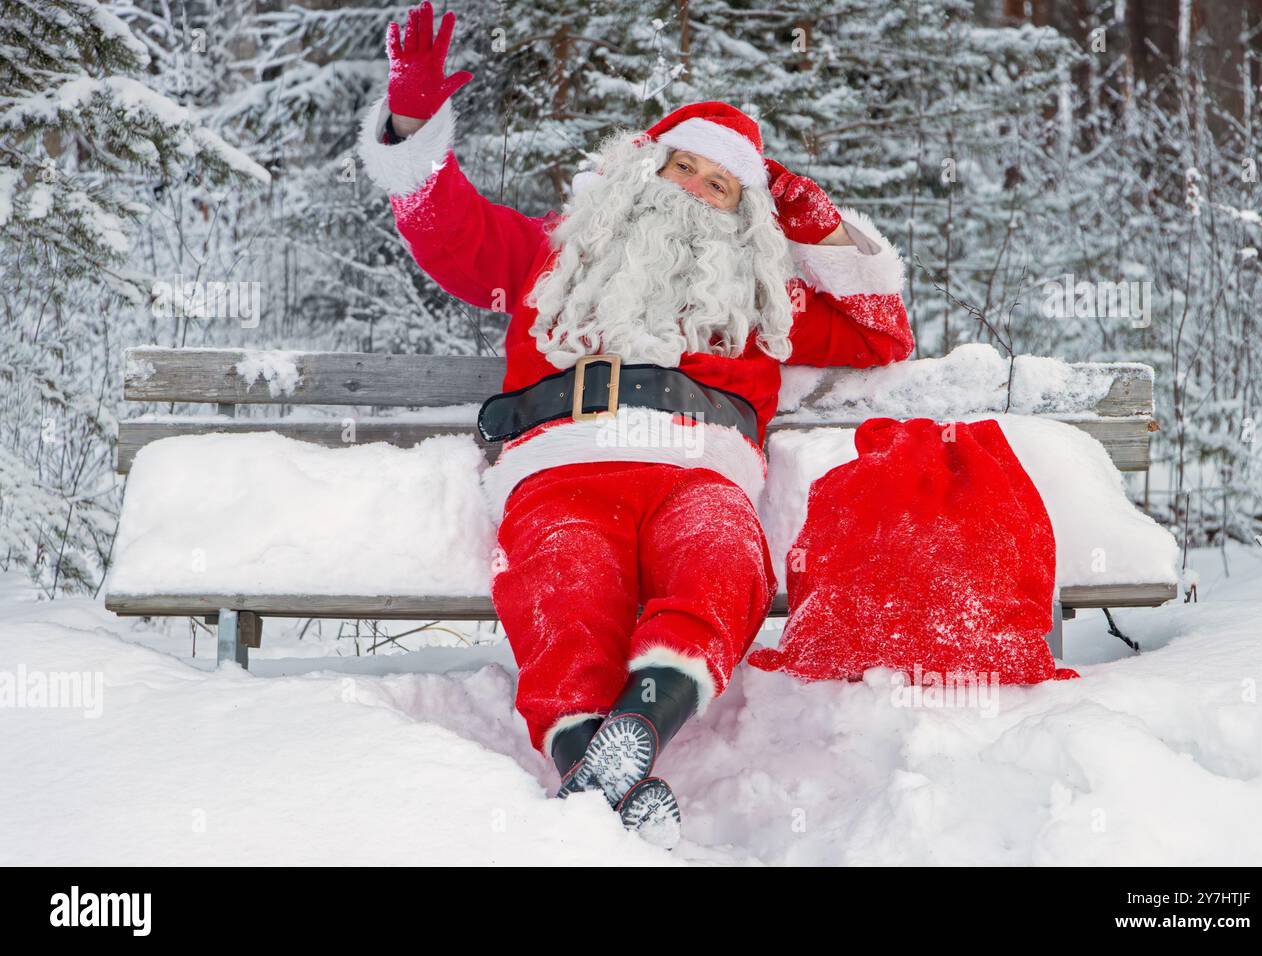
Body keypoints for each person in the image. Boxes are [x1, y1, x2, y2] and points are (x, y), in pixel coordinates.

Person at [358, 2, 913, 847]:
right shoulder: (549, 253)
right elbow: (446, 234)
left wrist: (805, 208)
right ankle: (594, 749)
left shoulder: (764, 300)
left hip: (700, 471)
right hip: (561, 469)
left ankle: (628, 741)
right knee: (558, 579)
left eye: (719, 183)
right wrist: (410, 123)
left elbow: (883, 328)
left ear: (741, 212)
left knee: (722, 553)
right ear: (640, 171)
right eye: (682, 168)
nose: (693, 188)